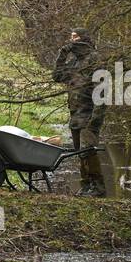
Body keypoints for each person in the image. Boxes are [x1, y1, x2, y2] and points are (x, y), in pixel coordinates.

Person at [52, 28, 106, 197]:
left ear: (84, 38)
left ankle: (98, 186)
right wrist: (62, 55)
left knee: (87, 149)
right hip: (75, 113)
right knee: (79, 151)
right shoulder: (74, 60)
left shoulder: (94, 59)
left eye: (75, 37)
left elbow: (102, 92)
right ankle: (86, 185)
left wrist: (95, 119)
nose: (71, 40)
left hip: (89, 114)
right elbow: (57, 76)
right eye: (71, 37)